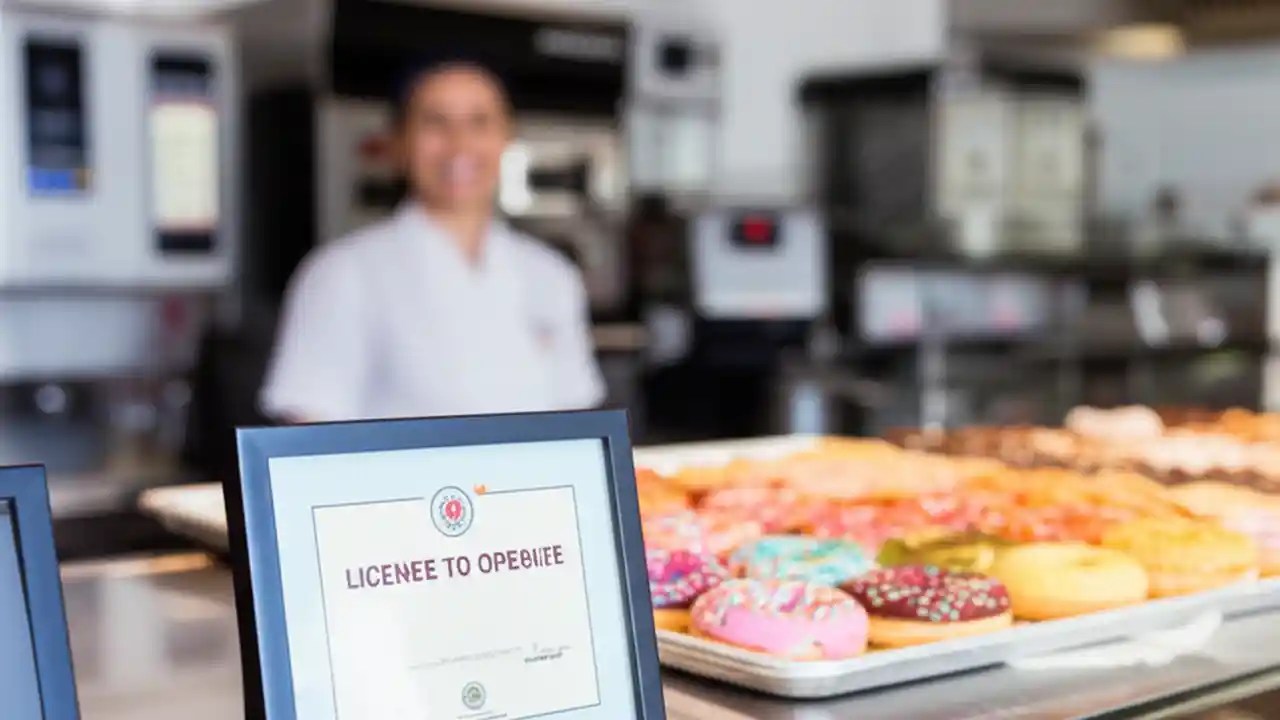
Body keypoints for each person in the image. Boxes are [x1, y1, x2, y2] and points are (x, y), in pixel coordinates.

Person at [261, 62, 605, 421]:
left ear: (506, 139)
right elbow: (308, 428)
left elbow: (576, 418)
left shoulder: (551, 274)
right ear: (398, 143)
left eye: (479, 122)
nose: (460, 144)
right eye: (435, 122)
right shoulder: (341, 273)